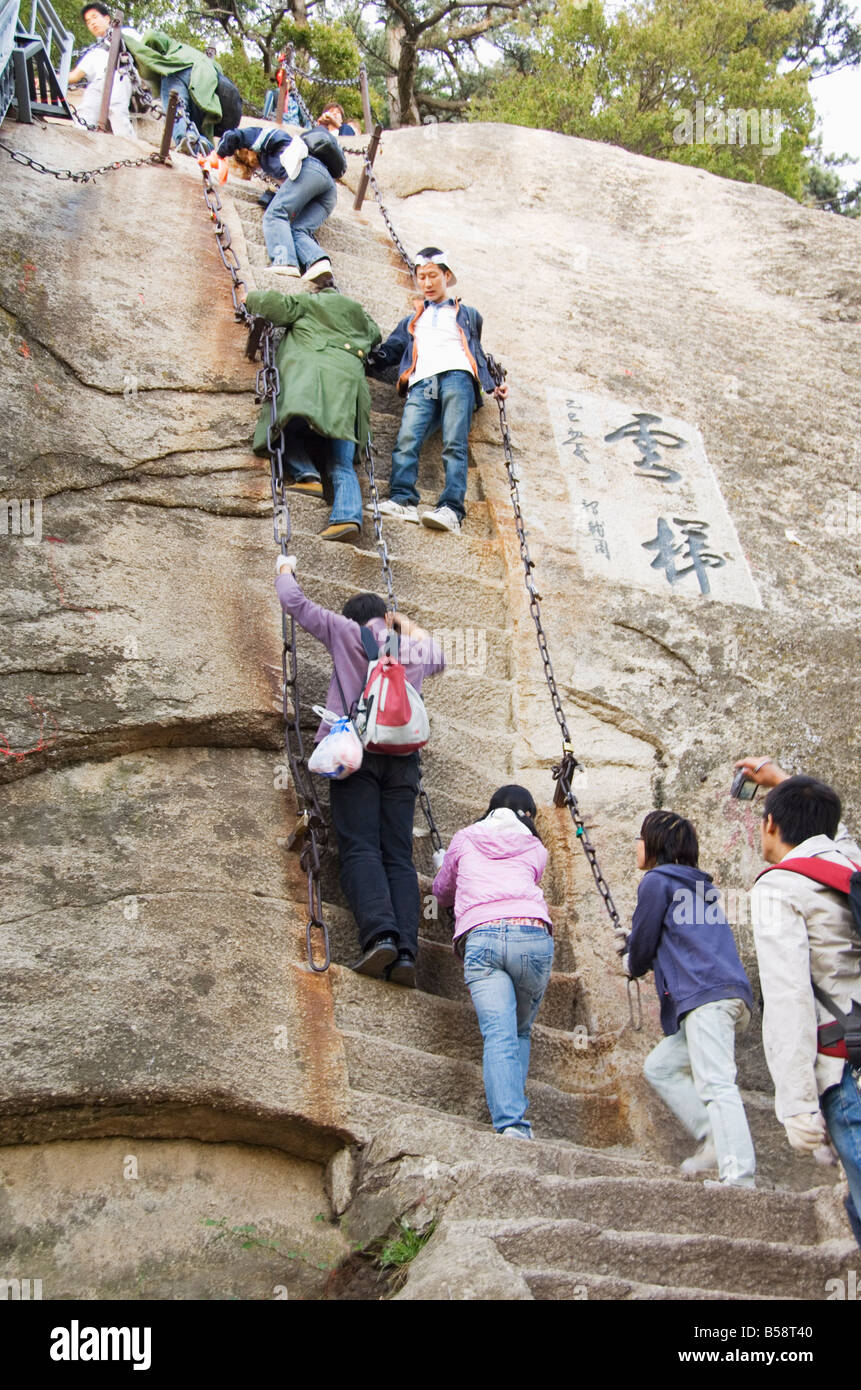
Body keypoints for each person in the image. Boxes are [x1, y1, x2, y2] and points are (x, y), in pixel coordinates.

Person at [275, 557, 445, 984]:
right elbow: (440, 656)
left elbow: (292, 600)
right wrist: (401, 622)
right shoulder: (409, 648)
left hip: (356, 754)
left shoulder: (346, 631)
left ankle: (379, 935)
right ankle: (407, 951)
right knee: (399, 856)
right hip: (404, 761)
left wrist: (284, 566)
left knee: (360, 848)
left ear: (354, 618)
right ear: (384, 617)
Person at [739, 755, 861, 1249]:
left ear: (769, 824)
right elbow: (839, 832)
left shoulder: (780, 887)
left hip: (844, 1073)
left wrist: (796, 1104)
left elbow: (788, 996)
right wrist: (782, 779)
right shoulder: (853, 865)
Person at [624, 810, 756, 1187]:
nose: (636, 844)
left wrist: (630, 958)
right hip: (725, 994)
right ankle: (714, 1137)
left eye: (640, 837)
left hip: (704, 997)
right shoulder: (699, 887)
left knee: (716, 1083)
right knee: (661, 1066)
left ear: (655, 845)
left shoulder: (655, 882)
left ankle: (740, 1176)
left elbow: (643, 946)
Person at [432, 785, 554, 1138]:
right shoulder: (536, 847)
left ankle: (513, 1126)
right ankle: (515, 1119)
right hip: (532, 934)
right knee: (518, 1031)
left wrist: (444, 866)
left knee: (498, 1035)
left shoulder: (465, 838)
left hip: (482, 935)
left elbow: (441, 893)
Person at [365, 247, 508, 537]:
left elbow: (476, 349)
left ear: (447, 276)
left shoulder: (468, 314)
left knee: (454, 443)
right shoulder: (411, 320)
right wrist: (366, 358)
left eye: (433, 276)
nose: (427, 283)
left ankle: (452, 509)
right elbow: (392, 349)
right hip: (422, 382)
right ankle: (402, 499)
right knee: (407, 437)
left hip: (458, 377)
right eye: (422, 277)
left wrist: (494, 382)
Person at [244, 282, 381, 541]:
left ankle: (306, 474)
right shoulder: (363, 320)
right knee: (340, 460)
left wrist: (248, 296)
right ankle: (347, 516)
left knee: (285, 429)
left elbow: (272, 304)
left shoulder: (310, 303)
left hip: (313, 381)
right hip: (350, 390)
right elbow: (375, 335)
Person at [217, 124, 342, 280]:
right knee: (298, 229)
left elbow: (235, 136)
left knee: (275, 215)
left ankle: (285, 262)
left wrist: (219, 153)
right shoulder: (271, 167)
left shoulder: (271, 140)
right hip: (328, 190)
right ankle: (318, 261)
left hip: (310, 169)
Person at [123, 29, 225, 154]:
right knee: (199, 122)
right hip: (208, 77)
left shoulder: (172, 48)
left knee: (174, 105)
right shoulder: (195, 54)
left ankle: (184, 139)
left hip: (181, 66)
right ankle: (204, 148)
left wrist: (135, 47)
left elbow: (151, 36)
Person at [66, 3, 136, 138]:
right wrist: (46, 79)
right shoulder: (93, 52)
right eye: (88, 21)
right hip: (98, 83)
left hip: (121, 74)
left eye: (94, 17)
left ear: (107, 18)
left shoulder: (126, 33)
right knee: (85, 112)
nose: (92, 23)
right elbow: (74, 76)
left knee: (116, 109)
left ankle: (127, 145)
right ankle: (82, 143)